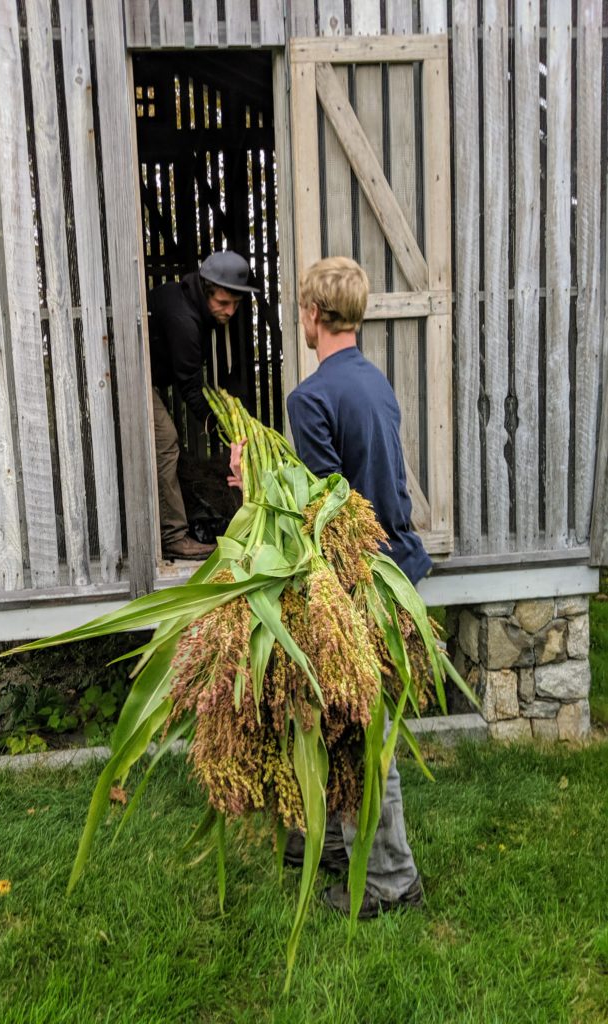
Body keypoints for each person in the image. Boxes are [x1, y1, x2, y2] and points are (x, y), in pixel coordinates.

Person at [229, 256, 429, 918]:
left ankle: (389, 882)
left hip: (355, 582)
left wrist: (255, 485)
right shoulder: (374, 383)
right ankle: (331, 848)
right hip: (395, 565)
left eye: (301, 309)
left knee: (359, 736)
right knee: (329, 720)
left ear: (312, 313)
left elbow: (322, 512)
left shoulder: (309, 396)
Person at [150, 251, 258, 560]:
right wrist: (222, 428)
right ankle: (172, 536)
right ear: (206, 288)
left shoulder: (193, 304)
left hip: (148, 373)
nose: (230, 311)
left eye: (236, 304)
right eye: (223, 303)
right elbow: (192, 391)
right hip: (126, 373)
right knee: (165, 441)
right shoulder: (184, 320)